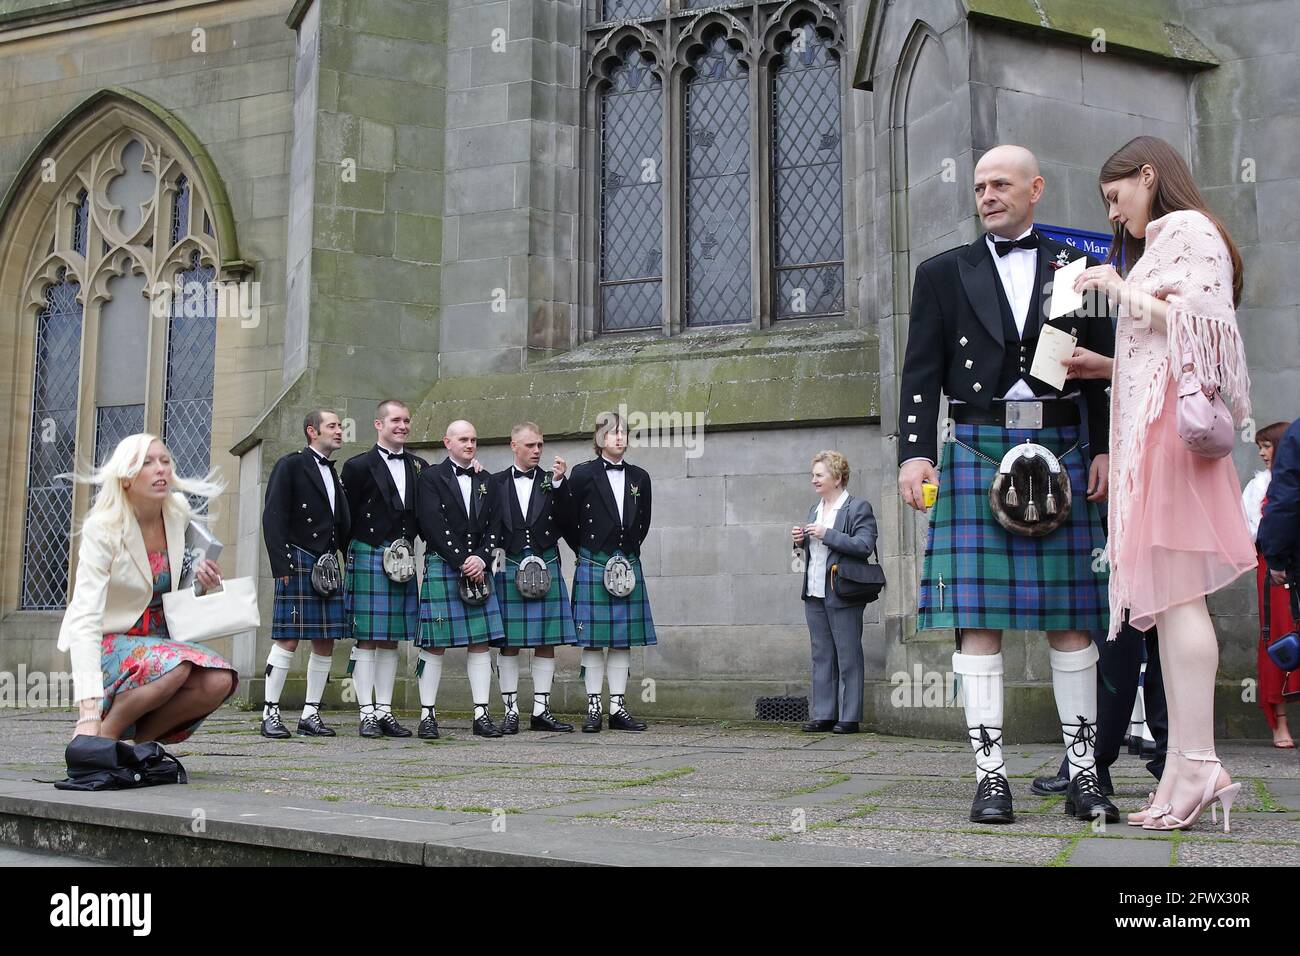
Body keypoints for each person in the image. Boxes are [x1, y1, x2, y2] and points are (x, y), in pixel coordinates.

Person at [897, 144, 1118, 825]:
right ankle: (990, 778)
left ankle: (1085, 775)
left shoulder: (1075, 270)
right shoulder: (943, 272)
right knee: (977, 621)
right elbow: (919, 371)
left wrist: (1106, 449)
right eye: (980, 186)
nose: (988, 195)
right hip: (974, 442)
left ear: (1035, 189)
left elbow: (1093, 370)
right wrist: (913, 454)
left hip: (1060, 441)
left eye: (1001, 184)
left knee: (1073, 619)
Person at [1074, 134, 1255, 832]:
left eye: (1116, 197)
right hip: (1157, 439)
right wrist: (1107, 364)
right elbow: (1161, 353)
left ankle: (1200, 761)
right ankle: (1187, 763)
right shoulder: (1168, 240)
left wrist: (1121, 290)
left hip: (1169, 443)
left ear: (1149, 174)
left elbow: (1208, 330)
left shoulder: (1185, 228)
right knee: (1178, 605)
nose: (1115, 215)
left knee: (1182, 604)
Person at [58, 434, 236, 743]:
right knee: (175, 667)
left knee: (219, 680)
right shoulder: (103, 528)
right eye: (147, 463)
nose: (160, 469)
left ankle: (143, 747)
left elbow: (173, 590)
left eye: (165, 461)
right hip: (107, 643)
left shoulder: (177, 511)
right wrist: (88, 709)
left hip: (161, 642)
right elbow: (85, 618)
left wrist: (201, 584)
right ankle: (101, 739)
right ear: (126, 478)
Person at [339, 399, 428, 739]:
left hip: (403, 557)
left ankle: (385, 710)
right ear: (379, 424)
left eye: (406, 420)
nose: (402, 425)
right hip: (369, 553)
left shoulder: (419, 466)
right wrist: (357, 551)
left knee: (391, 639)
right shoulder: (358, 466)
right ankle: (366, 713)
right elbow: (344, 517)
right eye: (395, 420)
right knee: (367, 638)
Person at [260, 409, 352, 738]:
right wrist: (281, 566)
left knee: (324, 640)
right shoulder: (291, 465)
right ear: (312, 431)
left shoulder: (333, 473)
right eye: (332, 426)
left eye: (340, 426)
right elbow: (272, 517)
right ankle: (270, 712)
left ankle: (310, 713)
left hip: (326, 564)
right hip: (298, 560)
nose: (339, 431)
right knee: (288, 637)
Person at [564, 411, 655, 733]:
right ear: (600, 438)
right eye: (612, 432)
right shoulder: (582, 474)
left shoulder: (640, 477)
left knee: (621, 640)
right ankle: (593, 706)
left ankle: (617, 707)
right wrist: (587, 553)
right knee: (592, 641)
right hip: (593, 559)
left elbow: (643, 521)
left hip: (626, 561)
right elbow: (567, 519)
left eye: (623, 433)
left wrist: (627, 551)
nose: (619, 437)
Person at [414, 419, 504, 738]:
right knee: (434, 644)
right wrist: (460, 559)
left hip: (477, 566)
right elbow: (430, 523)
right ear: (447, 442)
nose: (470, 445)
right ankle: (427, 715)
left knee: (480, 642)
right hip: (443, 563)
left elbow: (496, 524)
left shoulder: (488, 480)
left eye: (474, 440)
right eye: (463, 439)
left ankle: (481, 714)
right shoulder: (430, 477)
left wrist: (482, 556)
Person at [488, 422, 577, 733]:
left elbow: (569, 521)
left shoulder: (552, 481)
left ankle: (541, 710)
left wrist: (560, 484)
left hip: (546, 561)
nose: (537, 450)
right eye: (530, 445)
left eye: (540, 445)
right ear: (514, 446)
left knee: (546, 641)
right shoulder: (495, 482)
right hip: (509, 562)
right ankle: (510, 711)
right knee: (508, 643)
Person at [793, 450, 877, 734]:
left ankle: (849, 717)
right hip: (815, 592)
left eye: (819, 475)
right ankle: (824, 714)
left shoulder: (857, 508)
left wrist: (826, 534)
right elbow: (814, 553)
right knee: (821, 655)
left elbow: (864, 545)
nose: (814, 480)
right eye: (813, 475)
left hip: (842, 592)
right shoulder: (814, 510)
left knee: (848, 653)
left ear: (838, 478)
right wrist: (800, 541)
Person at [1242, 421, 1295, 748]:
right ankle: (1280, 724)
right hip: (1273, 570)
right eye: (1259, 446)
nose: (1262, 453)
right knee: (1277, 639)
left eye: (1267, 445)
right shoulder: (1259, 487)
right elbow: (1250, 532)